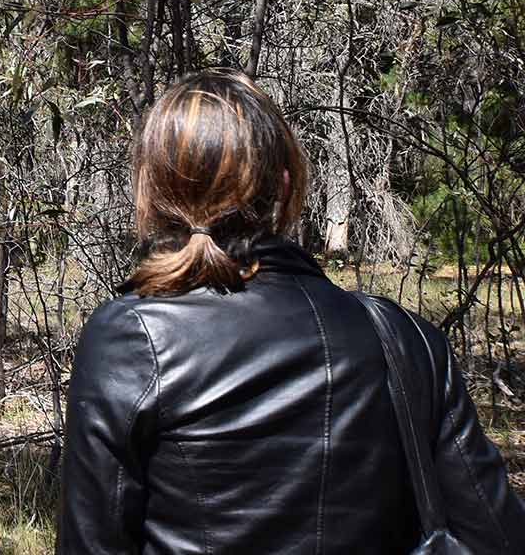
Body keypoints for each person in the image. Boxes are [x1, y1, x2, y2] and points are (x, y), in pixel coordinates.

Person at [57, 68, 525, 554]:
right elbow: (498, 535)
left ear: (153, 193)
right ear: (283, 186)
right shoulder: (406, 339)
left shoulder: (130, 339)